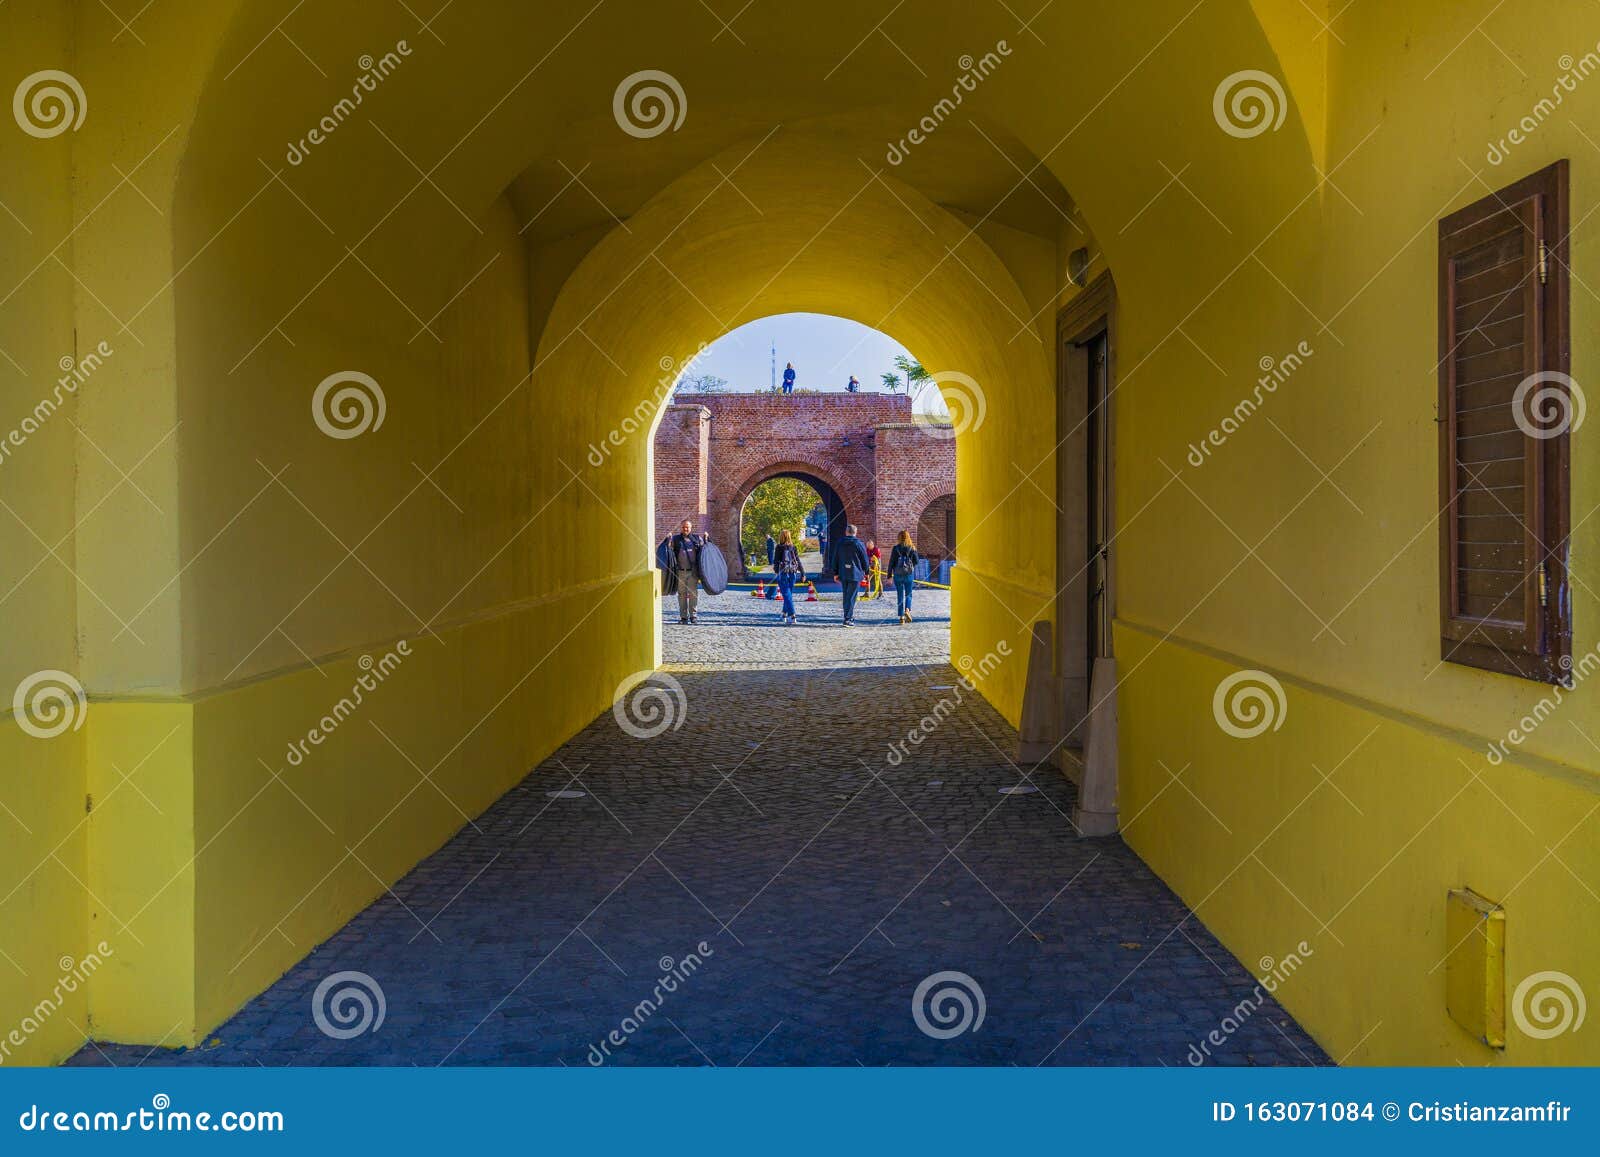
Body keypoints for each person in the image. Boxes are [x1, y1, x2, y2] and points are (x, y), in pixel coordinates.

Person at [668, 518, 708, 625]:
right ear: (681, 528)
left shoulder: (696, 539)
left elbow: (705, 551)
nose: (685, 529)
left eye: (687, 527)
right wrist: (668, 539)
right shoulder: (676, 539)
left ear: (691, 528)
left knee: (693, 594)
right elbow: (668, 551)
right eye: (684, 527)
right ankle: (683, 617)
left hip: (693, 572)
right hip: (680, 572)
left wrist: (707, 539)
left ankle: (693, 616)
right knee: (681, 595)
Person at [832, 523, 869, 627]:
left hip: (843, 573)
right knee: (851, 596)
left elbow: (835, 558)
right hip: (855, 573)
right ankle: (848, 619)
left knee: (846, 595)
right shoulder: (859, 544)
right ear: (855, 533)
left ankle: (847, 616)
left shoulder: (840, 543)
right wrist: (867, 572)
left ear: (846, 532)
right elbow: (864, 559)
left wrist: (835, 572)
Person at [772, 529, 806, 625]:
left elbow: (776, 561)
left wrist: (776, 571)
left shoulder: (779, 547)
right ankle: (784, 614)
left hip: (783, 573)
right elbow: (798, 561)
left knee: (787, 595)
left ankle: (792, 615)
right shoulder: (793, 547)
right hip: (793, 573)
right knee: (788, 594)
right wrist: (803, 573)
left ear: (781, 537)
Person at [888, 530, 920, 624]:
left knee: (900, 595)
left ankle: (901, 617)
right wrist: (911, 565)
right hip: (908, 574)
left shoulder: (895, 548)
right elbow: (917, 561)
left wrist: (889, 576)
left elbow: (891, 563)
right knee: (908, 594)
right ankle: (907, 610)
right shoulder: (912, 548)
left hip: (897, 575)